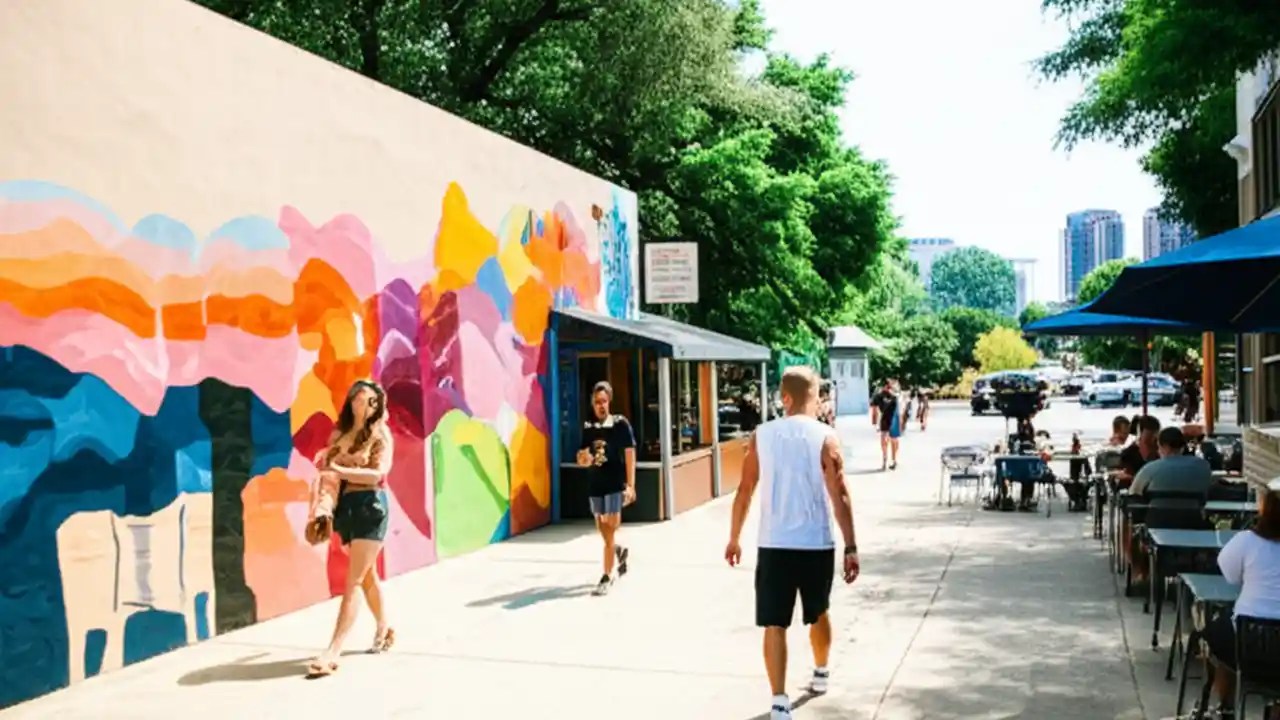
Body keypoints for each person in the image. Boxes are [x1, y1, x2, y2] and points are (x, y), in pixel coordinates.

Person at [725, 366, 859, 720]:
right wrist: (851, 545)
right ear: (810, 397)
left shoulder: (761, 436)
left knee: (775, 622)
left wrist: (734, 537)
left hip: (774, 544)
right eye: (816, 397)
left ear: (783, 398)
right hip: (816, 542)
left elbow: (744, 490)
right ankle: (821, 670)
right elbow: (840, 493)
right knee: (819, 611)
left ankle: (780, 700)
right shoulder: (826, 437)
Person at [309, 380, 395, 676]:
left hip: (371, 507)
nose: (364, 404)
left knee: (354, 579)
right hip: (345, 509)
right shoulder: (340, 434)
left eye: (371, 400)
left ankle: (333, 650)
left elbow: (378, 474)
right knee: (367, 574)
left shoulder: (381, 434)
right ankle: (385, 627)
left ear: (378, 405)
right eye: (359, 398)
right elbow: (328, 471)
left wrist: (340, 469)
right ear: (350, 401)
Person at [1203, 478, 1280, 718]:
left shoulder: (1246, 541)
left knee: (1216, 634)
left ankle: (1225, 705)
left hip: (1247, 642)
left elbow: (1230, 576)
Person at [576, 381, 636, 596]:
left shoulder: (620, 425)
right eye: (596, 402)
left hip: (614, 483)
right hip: (595, 485)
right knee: (603, 528)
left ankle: (607, 575)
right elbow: (582, 454)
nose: (600, 406)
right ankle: (617, 551)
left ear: (609, 401)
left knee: (612, 525)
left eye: (604, 401)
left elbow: (630, 454)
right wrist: (583, 459)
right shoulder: (588, 427)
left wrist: (630, 485)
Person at [1128, 427, 1213, 500]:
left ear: (1162, 447)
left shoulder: (1150, 469)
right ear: (1183, 447)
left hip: (1157, 517)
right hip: (1192, 517)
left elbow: (1133, 493)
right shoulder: (1203, 466)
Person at [870, 380, 902, 471]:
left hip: (894, 418)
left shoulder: (895, 394)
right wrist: (875, 423)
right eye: (887, 385)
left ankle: (894, 460)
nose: (888, 387)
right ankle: (885, 459)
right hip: (885, 418)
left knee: (894, 440)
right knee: (884, 440)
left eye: (889, 385)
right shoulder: (878, 396)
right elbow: (874, 410)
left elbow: (901, 403)